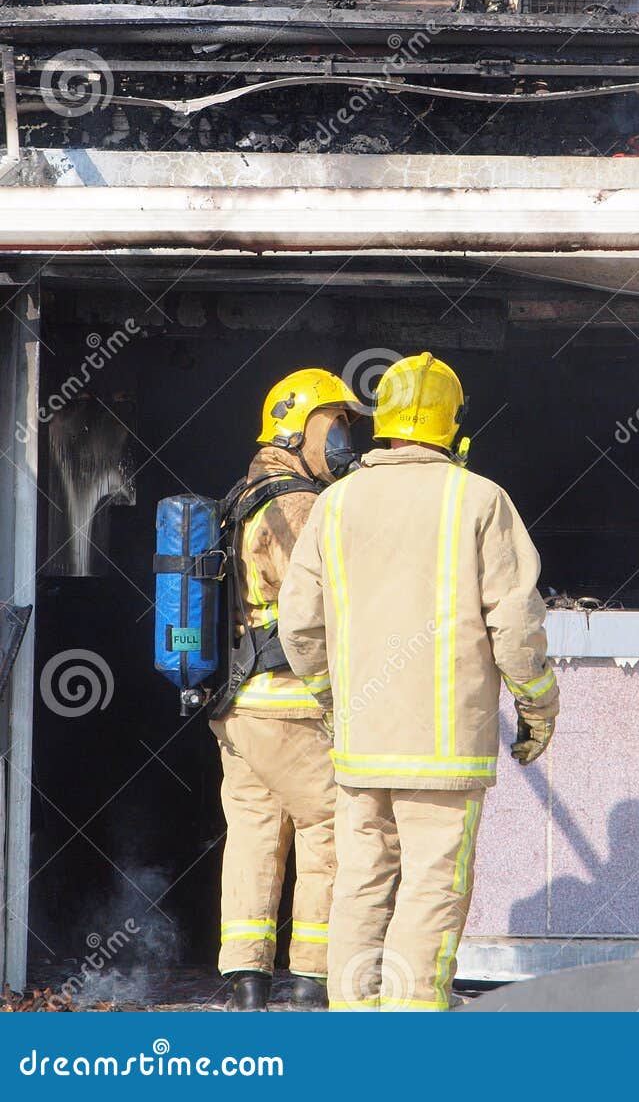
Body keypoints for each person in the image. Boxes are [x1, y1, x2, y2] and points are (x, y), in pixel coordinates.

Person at [279, 352, 558, 1011]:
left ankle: (354, 1031)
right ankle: (409, 1034)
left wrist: (328, 696)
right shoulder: (480, 499)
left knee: (360, 883)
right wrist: (537, 705)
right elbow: (515, 622)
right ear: (452, 428)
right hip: (444, 748)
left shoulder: (336, 503)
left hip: (360, 744)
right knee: (431, 887)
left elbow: (298, 622)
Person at [211, 368, 362, 1011]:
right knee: (328, 825)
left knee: (253, 832)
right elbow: (326, 602)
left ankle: (246, 979)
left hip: (238, 705)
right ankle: (311, 977)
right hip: (290, 702)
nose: (346, 441)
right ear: (299, 425)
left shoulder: (243, 492)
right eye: (339, 424)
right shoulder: (296, 503)